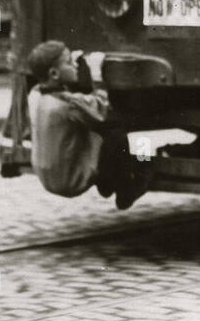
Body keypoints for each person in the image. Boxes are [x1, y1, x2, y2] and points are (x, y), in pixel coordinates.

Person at [25, 40, 150, 209]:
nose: (74, 66)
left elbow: (60, 92)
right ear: (54, 73)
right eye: (69, 63)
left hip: (47, 177)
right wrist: (96, 72)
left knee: (91, 130)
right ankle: (126, 189)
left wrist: (70, 73)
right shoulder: (69, 104)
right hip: (71, 180)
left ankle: (106, 184)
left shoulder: (36, 95)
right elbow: (100, 106)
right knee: (116, 133)